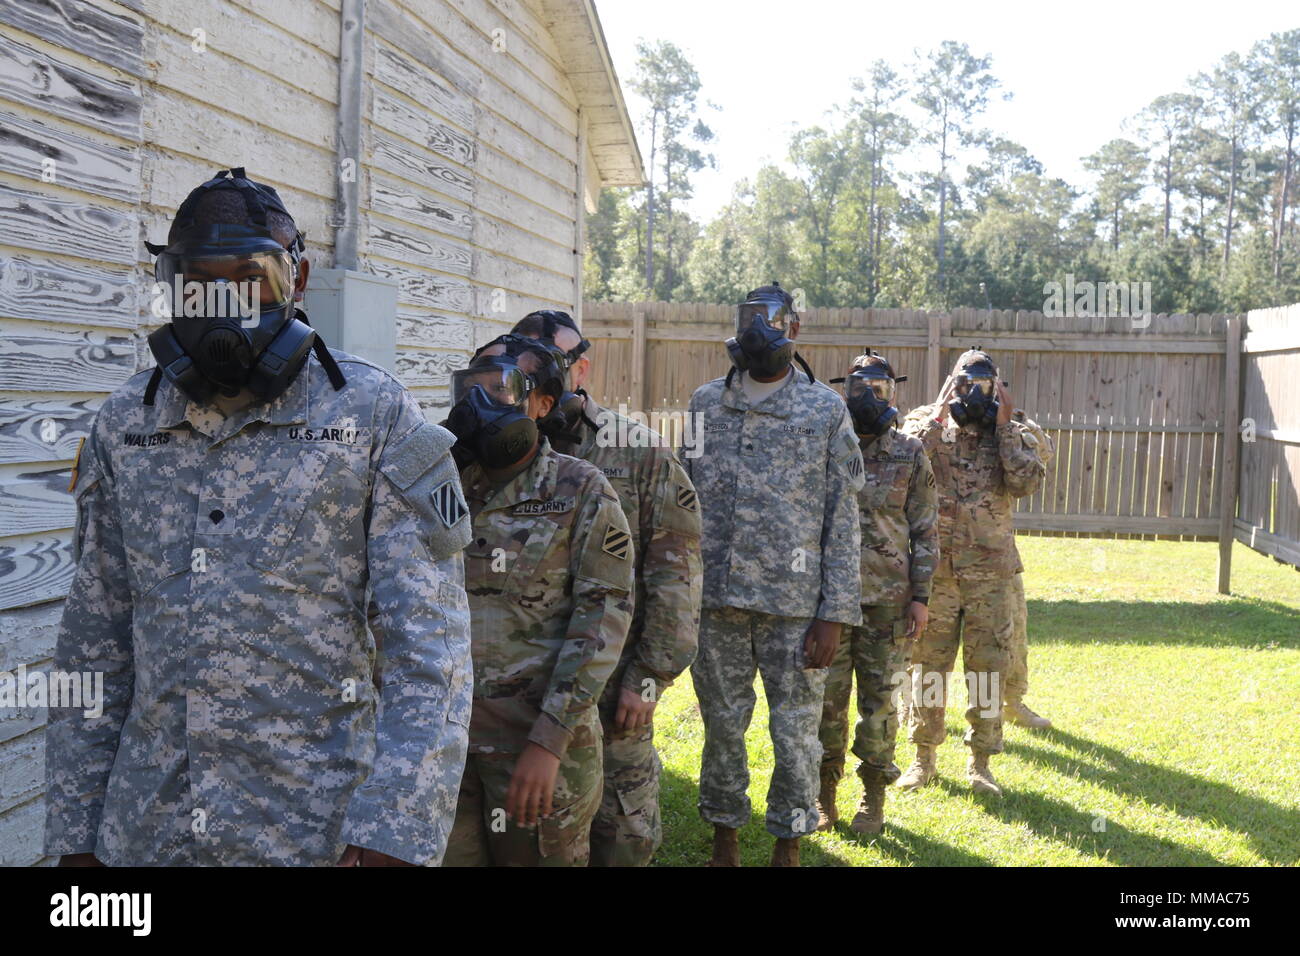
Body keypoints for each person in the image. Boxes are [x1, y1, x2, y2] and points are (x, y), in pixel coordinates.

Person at [44, 168, 473, 866]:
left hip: (314, 834)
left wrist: (393, 834)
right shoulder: (126, 424)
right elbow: (93, 646)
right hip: (150, 836)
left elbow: (431, 654)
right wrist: (75, 835)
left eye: (248, 278)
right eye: (198, 282)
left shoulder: (373, 418)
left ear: (296, 282)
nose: (222, 307)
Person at [510, 310, 702, 867]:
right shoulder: (497, 451)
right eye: (520, 365)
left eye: (547, 364)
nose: (532, 377)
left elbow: (676, 574)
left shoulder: (637, 452)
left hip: (614, 684)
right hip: (522, 684)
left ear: (581, 369)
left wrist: (650, 676)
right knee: (533, 829)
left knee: (623, 832)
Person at [685, 282, 864, 867]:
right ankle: (725, 840)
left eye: (771, 319)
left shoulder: (824, 409)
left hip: (796, 608)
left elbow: (843, 516)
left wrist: (834, 613)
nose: (758, 329)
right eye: (747, 318)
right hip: (719, 602)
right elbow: (682, 504)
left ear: (794, 329)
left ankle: (788, 842)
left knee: (795, 736)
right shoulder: (706, 404)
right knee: (722, 728)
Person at [441, 334, 634, 866]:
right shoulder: (443, 486)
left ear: (542, 404)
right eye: (471, 389)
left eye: (500, 389)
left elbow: (602, 618)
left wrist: (548, 742)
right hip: (445, 751)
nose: (480, 404)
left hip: (538, 754)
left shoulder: (582, 490)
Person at [898, 348, 1047, 796]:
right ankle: (923, 759)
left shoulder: (1014, 431)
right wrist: (942, 412)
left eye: (983, 384)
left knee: (986, 672)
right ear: (951, 383)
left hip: (991, 576)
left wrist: (1002, 426)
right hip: (935, 576)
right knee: (927, 670)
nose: (974, 393)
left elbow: (1026, 482)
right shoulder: (927, 422)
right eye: (966, 383)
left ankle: (980, 763)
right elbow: (902, 463)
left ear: (998, 387)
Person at [817, 351, 938, 834]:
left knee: (880, 705)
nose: (869, 397)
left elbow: (926, 530)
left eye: (880, 389)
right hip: (829, 601)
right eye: (859, 387)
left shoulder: (910, 452)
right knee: (826, 704)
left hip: (888, 601)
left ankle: (873, 797)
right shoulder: (828, 446)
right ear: (844, 391)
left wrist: (921, 597)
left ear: (895, 394)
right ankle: (825, 795)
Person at [1003, 409, 1055, 730]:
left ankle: (1011, 702)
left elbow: (1044, 453)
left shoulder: (1008, 429)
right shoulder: (934, 422)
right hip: (942, 555)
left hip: (998, 555)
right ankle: (921, 709)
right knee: (928, 644)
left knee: (1012, 632)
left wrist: (1014, 418)